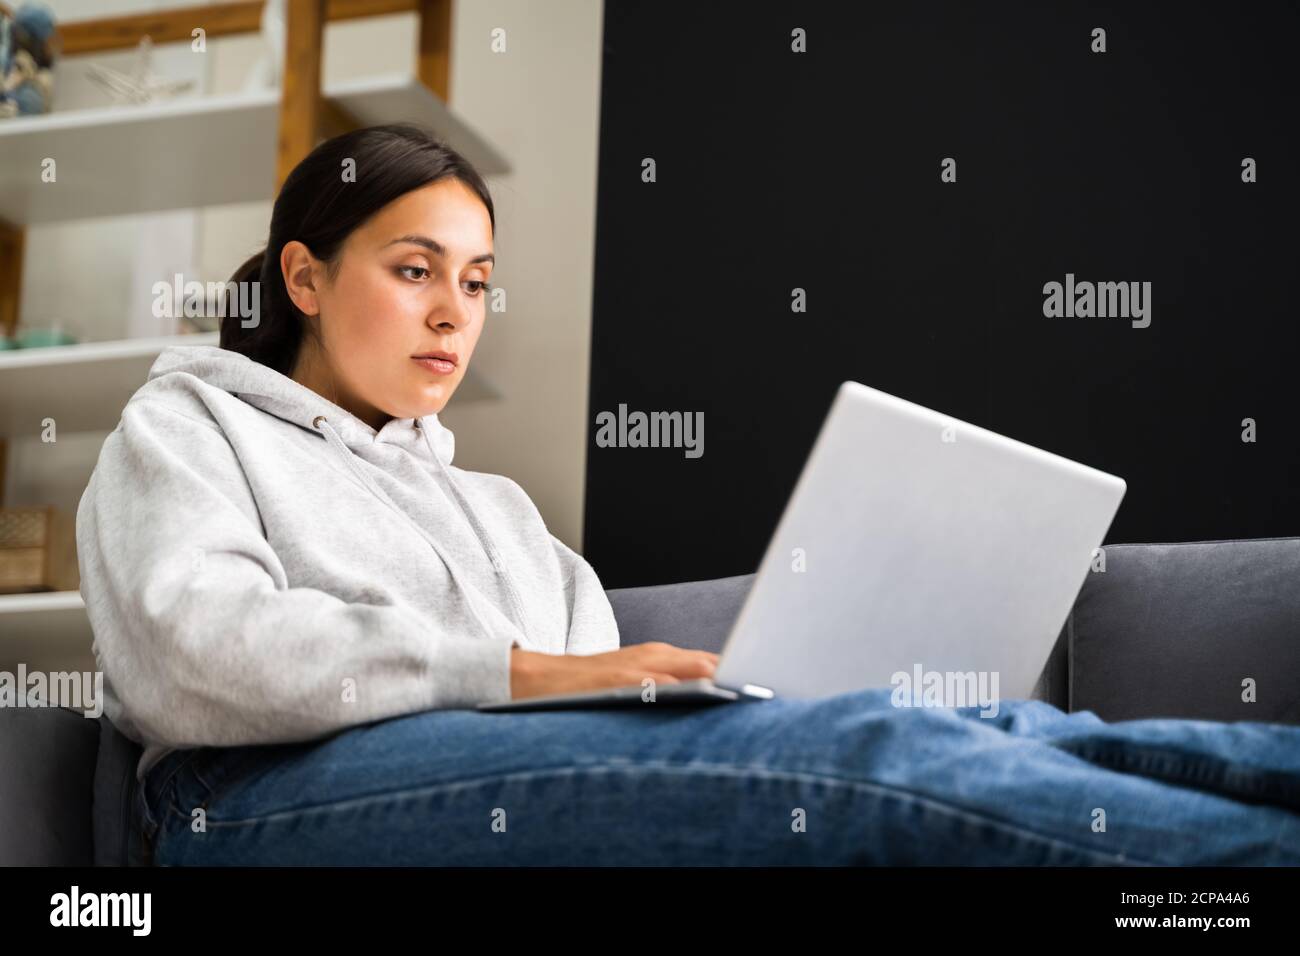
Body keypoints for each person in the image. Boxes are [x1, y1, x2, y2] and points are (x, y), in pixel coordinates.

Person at [77, 124, 1300, 866]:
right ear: (304, 273)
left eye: (481, 281)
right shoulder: (185, 425)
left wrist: (644, 695)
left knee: (1000, 729)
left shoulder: (502, 511)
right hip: (250, 806)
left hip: (475, 778)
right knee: (857, 755)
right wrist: (521, 672)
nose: (457, 310)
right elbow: (194, 648)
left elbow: (591, 706)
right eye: (414, 271)